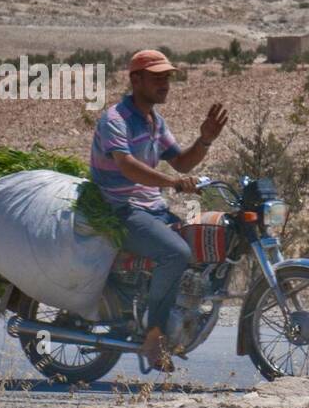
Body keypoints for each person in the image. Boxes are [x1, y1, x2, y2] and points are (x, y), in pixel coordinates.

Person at [89, 49, 228, 371]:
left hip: (150, 208)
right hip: (119, 209)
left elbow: (181, 161)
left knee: (197, 246)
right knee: (175, 254)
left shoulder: (154, 121)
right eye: (157, 77)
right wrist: (173, 183)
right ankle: (154, 335)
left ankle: (168, 315)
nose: (164, 83)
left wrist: (205, 140)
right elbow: (129, 167)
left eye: (167, 77)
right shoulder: (115, 120)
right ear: (135, 79)